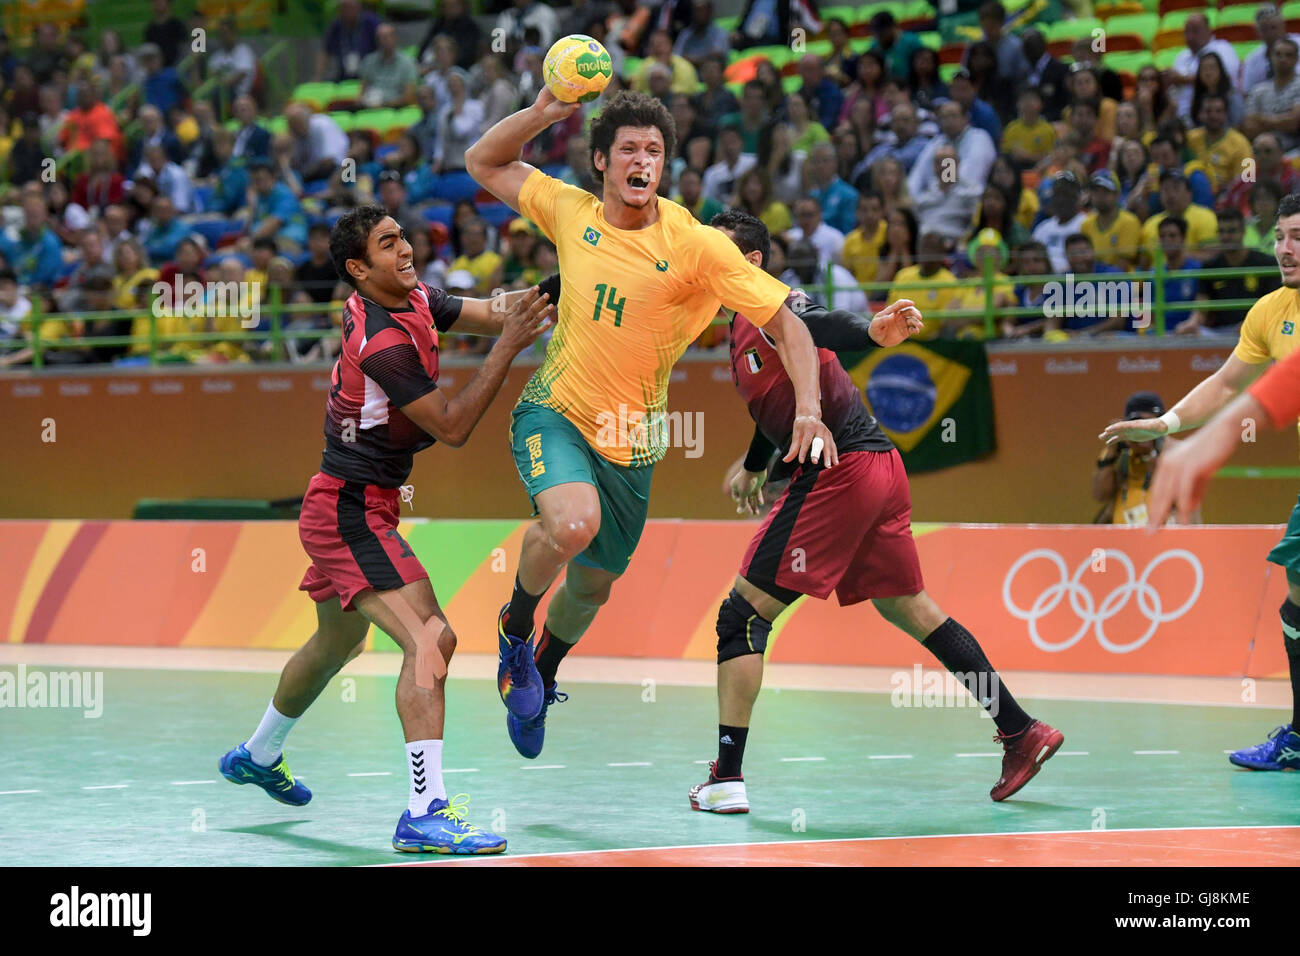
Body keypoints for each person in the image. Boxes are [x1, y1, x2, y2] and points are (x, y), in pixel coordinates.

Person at [465, 88, 836, 757]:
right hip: (556, 411)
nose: (643, 160)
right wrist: (546, 111)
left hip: (633, 441)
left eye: (655, 151)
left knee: (592, 586)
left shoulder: (695, 244)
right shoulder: (569, 211)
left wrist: (809, 409)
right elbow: (484, 162)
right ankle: (514, 633)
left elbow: (789, 324)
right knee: (572, 525)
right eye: (629, 149)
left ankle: (543, 671)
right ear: (602, 160)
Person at [687, 208, 1063, 812]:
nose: (703, 262)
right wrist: (758, 462)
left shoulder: (774, 304)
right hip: (878, 470)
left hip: (841, 470)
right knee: (912, 609)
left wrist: (871, 332)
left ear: (751, 264)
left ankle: (726, 777)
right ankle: (1021, 731)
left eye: (717, 252)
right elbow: (774, 401)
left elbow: (816, 325)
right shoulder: (738, 326)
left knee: (741, 619)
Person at [218, 205, 557, 852]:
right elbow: (452, 427)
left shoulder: (415, 295)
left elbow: (491, 308)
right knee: (432, 640)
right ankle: (424, 811)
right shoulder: (381, 341)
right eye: (388, 243)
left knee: (334, 645)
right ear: (357, 268)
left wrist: (570, 285)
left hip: (353, 503)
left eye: (403, 236)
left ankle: (257, 753)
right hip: (348, 512)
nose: (407, 247)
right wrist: (511, 349)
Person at [1102, 191, 1300, 771]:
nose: (1287, 250)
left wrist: (1212, 443)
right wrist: (1166, 424)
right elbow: (1226, 381)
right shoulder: (1270, 311)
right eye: (1282, 237)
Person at [1093, 392, 1193, 525]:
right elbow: (1100, 495)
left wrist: (1154, 460)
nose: (1145, 431)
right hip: (1124, 535)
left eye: (1150, 424)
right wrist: (1110, 456)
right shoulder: (1121, 452)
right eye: (1139, 423)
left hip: (1165, 536)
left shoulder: (1174, 451)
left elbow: (1185, 503)